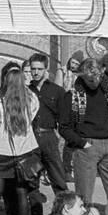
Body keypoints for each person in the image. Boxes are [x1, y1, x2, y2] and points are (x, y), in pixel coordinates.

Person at [0, 64, 41, 215]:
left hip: (2, 153)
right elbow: (32, 116)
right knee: (22, 193)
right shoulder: (31, 101)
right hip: (24, 152)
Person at [61, 58, 108, 206]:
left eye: (97, 78)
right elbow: (64, 127)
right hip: (86, 147)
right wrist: (82, 144)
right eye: (89, 80)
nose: (94, 82)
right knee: (84, 198)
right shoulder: (72, 95)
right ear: (82, 76)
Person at [26, 54, 71, 200]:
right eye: (33, 69)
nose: (36, 72)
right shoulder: (25, 91)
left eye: (40, 69)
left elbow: (63, 119)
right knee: (31, 181)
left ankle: (65, 214)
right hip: (30, 140)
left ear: (46, 70)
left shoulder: (57, 91)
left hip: (49, 138)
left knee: (58, 179)